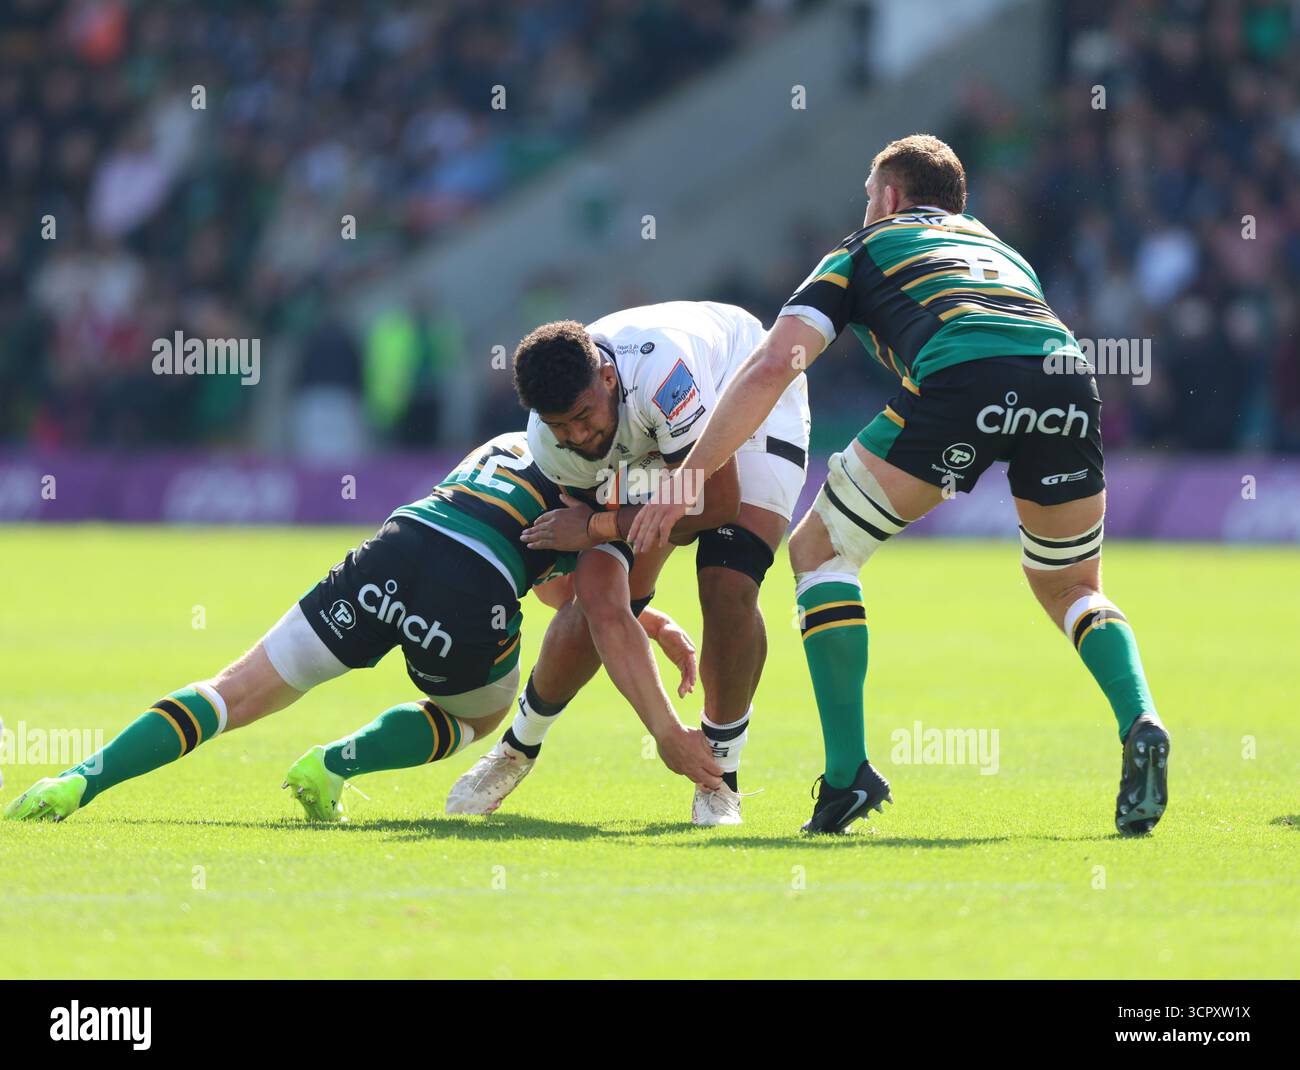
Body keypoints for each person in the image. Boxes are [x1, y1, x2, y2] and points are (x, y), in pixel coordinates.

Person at [629, 135, 1169, 836]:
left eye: (867, 195)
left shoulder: (863, 248)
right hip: (1065, 375)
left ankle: (848, 774)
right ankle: (1141, 718)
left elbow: (772, 366)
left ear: (888, 197)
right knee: (1072, 587)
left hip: (963, 375)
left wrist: (686, 477)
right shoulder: (1000, 249)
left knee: (820, 552)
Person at [5, 432, 716, 824]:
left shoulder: (506, 442)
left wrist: (647, 618)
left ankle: (74, 782)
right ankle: (333, 764)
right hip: (474, 585)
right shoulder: (607, 475)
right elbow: (584, 598)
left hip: (397, 543)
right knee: (477, 717)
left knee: (234, 691)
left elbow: (530, 558)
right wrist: (648, 629)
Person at [446, 301, 811, 824]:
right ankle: (517, 749)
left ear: (608, 377)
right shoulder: (551, 444)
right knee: (598, 598)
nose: (577, 436)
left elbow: (716, 505)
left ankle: (719, 776)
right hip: (651, 438)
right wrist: (633, 603)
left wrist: (599, 526)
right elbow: (590, 595)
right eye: (560, 426)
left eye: (582, 417)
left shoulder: (665, 375)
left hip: (747, 396)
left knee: (727, 583)